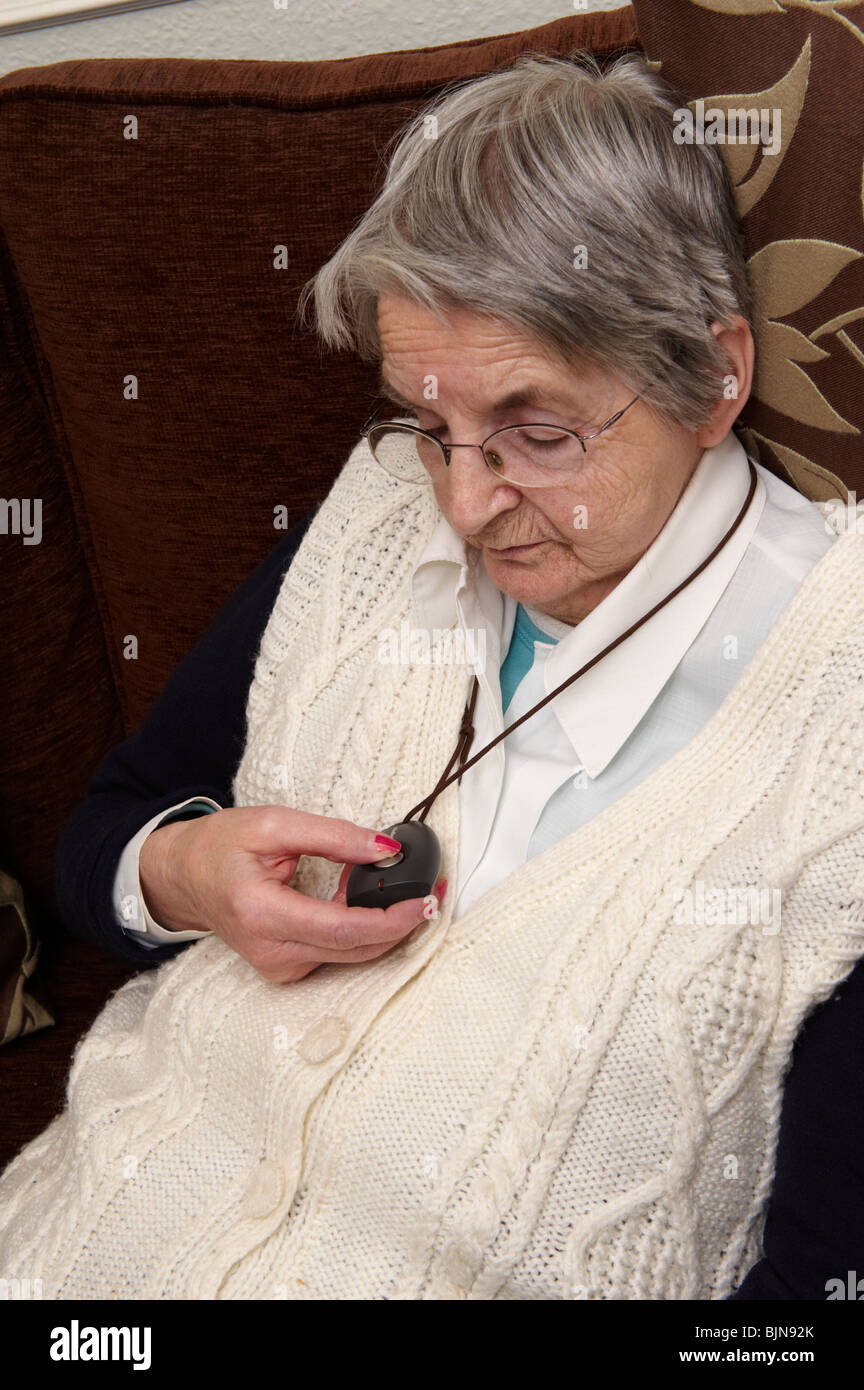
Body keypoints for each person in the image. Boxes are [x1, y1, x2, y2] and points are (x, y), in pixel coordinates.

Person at [1, 51, 862, 1301]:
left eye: (539, 430)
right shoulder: (370, 522)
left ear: (715, 373)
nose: (463, 505)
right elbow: (111, 827)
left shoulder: (836, 706)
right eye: (427, 422)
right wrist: (180, 873)